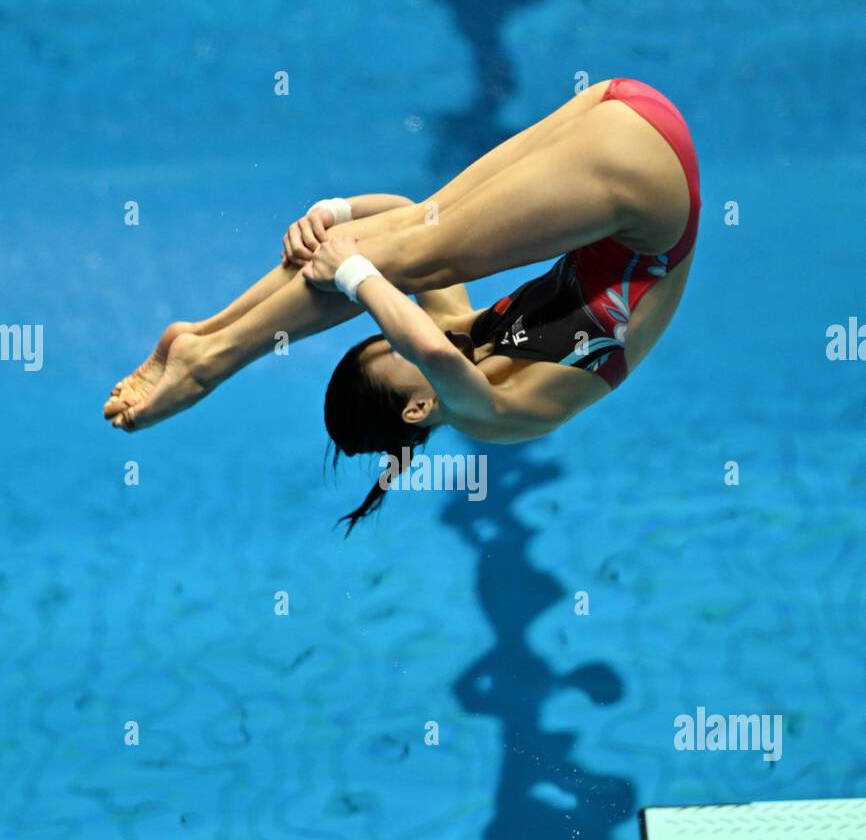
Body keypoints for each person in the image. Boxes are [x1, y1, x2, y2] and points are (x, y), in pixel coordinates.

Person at [105, 78, 700, 529]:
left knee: (412, 235)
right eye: (390, 346)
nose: (396, 328)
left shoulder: (460, 336)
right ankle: (208, 359)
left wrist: (336, 215)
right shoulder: (492, 412)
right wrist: (353, 271)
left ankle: (208, 335)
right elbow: (427, 348)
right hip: (645, 184)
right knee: (393, 259)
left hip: (620, 119)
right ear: (417, 411)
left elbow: (412, 214)